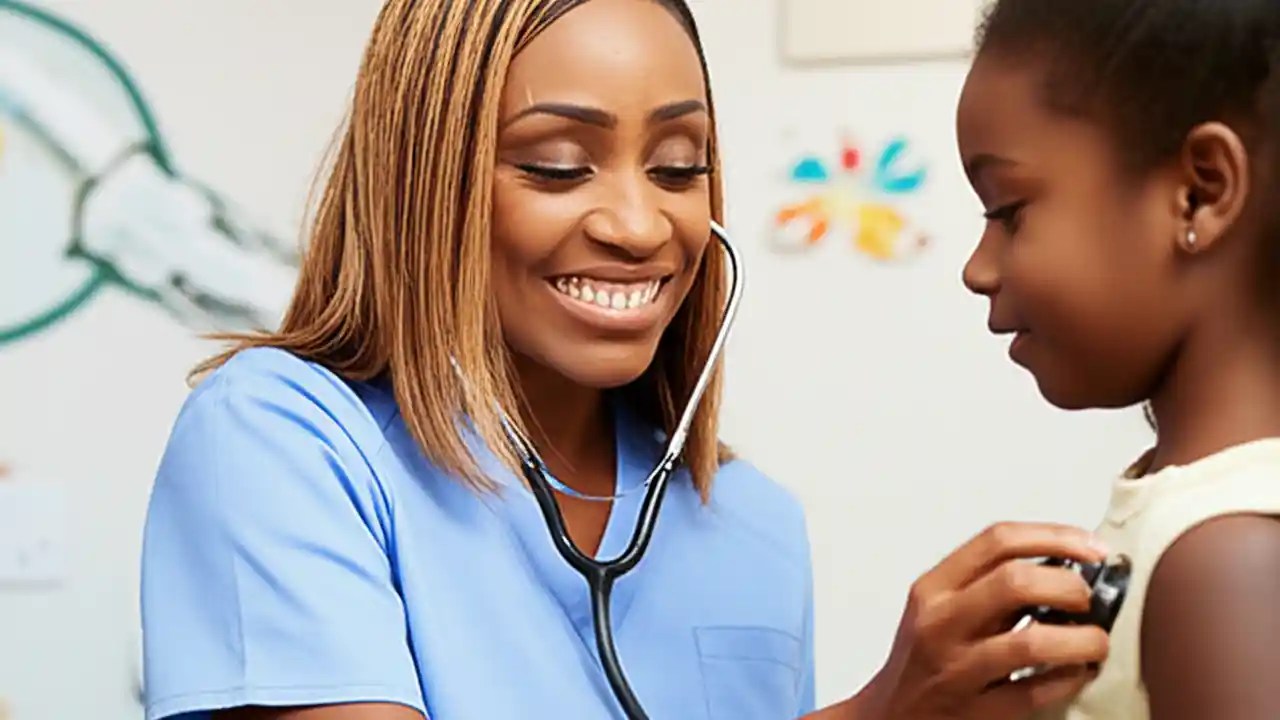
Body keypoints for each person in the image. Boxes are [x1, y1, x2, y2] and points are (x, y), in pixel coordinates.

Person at [140, 1, 1110, 719]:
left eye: (679, 166)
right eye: (557, 164)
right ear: (421, 185)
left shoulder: (749, 524)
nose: (641, 224)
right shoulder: (281, 441)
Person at [958, 1, 1280, 718]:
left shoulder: (1225, 561)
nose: (977, 269)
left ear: (1201, 192)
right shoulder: (1187, 527)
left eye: (1007, 212)